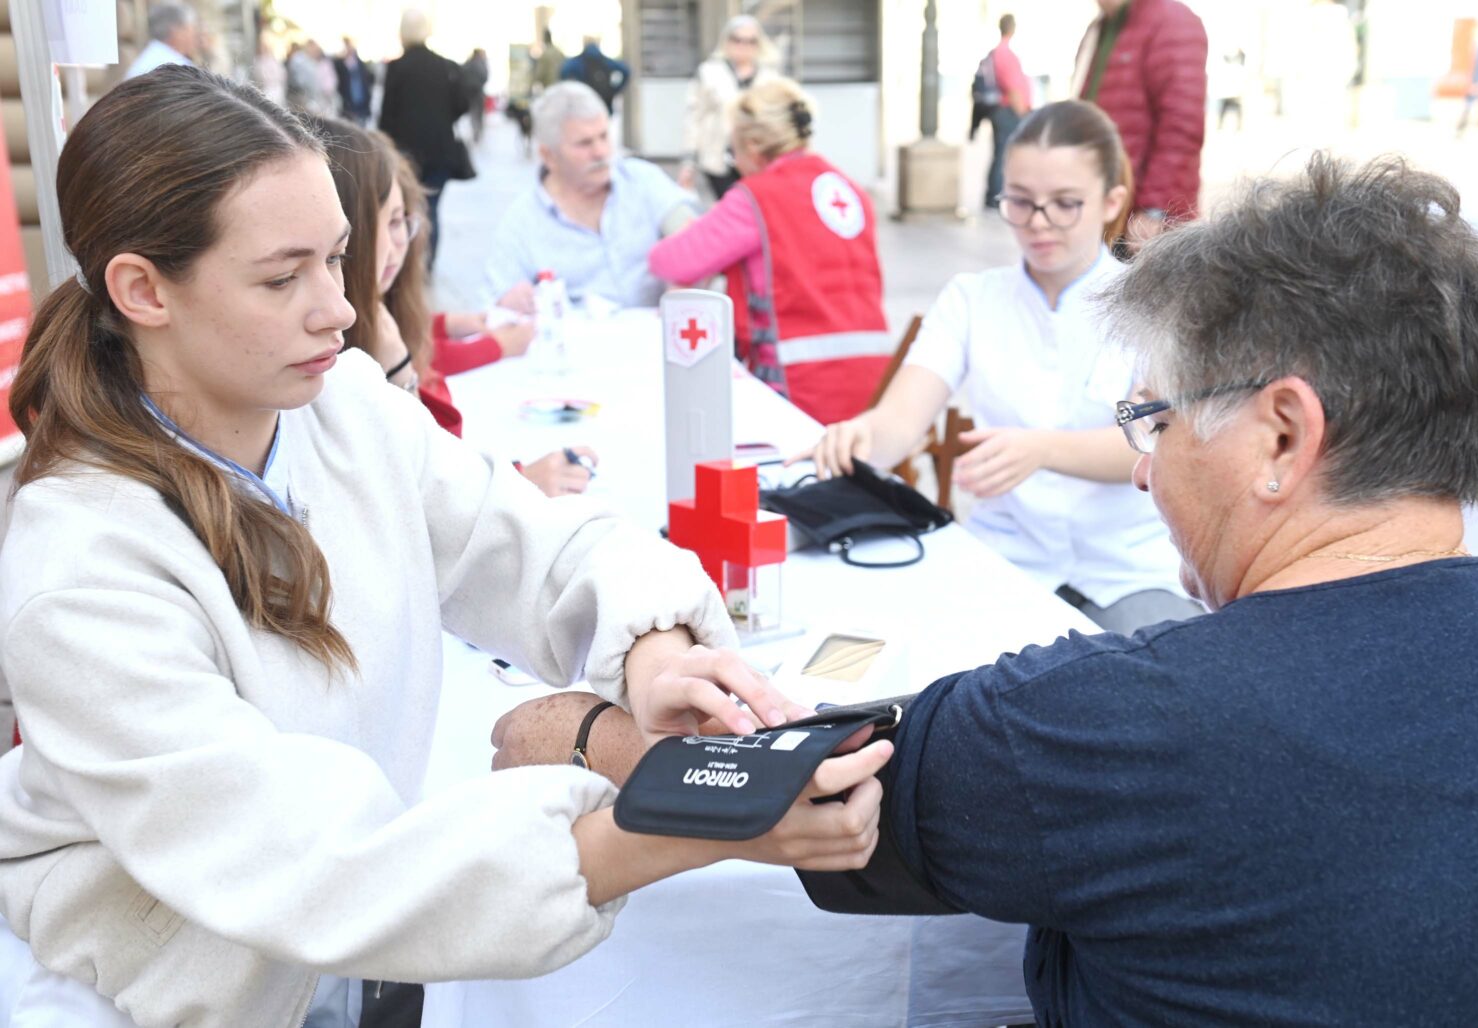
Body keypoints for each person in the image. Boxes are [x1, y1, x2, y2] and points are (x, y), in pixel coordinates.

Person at [0, 66, 890, 1026]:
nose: (338, 309)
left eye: (338, 258)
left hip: (351, 966)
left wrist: (657, 654)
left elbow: (532, 543)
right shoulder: (81, 569)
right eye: (280, 277)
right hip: (165, 997)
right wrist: (697, 823)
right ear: (142, 290)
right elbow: (313, 863)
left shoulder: (343, 408)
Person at [853, 154, 1478, 1024]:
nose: (1144, 471)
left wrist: (617, 716)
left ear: (1283, 439)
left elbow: (804, 787)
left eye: (1160, 421)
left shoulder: (1102, 725)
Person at [801, 101, 1192, 629]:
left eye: (1065, 204)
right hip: (1007, 559)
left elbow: (1164, 444)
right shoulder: (972, 299)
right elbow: (897, 422)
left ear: (1111, 202)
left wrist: (1042, 449)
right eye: (1021, 202)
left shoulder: (1148, 301)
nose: (1039, 223)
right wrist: (856, 438)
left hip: (1129, 569)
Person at [320, 119, 584, 500]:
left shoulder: (381, 314)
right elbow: (425, 490)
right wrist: (518, 483)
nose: (403, 242)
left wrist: (447, 326)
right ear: (354, 234)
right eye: (393, 221)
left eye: (405, 222)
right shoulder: (348, 352)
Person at [649, 79, 889, 427]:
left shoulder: (757, 198)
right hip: (876, 389)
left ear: (752, 145)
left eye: (732, 152)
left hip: (801, 393)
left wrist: (688, 229)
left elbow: (669, 261)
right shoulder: (849, 189)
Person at [485, 82, 697, 313]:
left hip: (659, 336)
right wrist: (513, 301)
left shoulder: (641, 179)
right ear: (548, 156)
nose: (601, 152)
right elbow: (497, 302)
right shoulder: (521, 223)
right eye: (584, 143)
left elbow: (695, 235)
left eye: (604, 136)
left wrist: (683, 280)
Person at [1072, 0, 1207, 247]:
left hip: (1141, 223)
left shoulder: (1171, 20)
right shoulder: (1102, 26)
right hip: (1102, 208)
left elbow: (1181, 126)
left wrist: (1155, 209)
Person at [378, 8, 471, 270]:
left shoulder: (397, 68)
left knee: (407, 210)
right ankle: (427, 265)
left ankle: (409, 267)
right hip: (440, 151)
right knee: (431, 209)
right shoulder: (445, 65)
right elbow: (462, 103)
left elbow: (387, 116)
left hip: (407, 154)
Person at [683, 15, 779, 200]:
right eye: (738, 40)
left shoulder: (770, 77)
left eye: (751, 41)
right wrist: (689, 160)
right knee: (731, 207)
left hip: (757, 159)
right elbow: (694, 117)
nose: (744, 46)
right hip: (718, 159)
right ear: (727, 41)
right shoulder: (710, 73)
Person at [984, 14, 1032, 211]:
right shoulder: (1004, 53)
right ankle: (995, 198)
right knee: (1004, 154)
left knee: (1002, 153)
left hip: (1005, 110)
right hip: (1009, 111)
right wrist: (1022, 113)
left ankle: (995, 197)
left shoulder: (1000, 52)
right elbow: (1012, 87)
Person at [123, 2, 197, 79]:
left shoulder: (152, 56)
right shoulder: (176, 66)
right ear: (176, 31)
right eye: (191, 30)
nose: (195, 37)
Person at [560, 35, 631, 114]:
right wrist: (614, 90)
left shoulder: (576, 62)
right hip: (604, 106)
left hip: (583, 106)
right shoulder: (606, 61)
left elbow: (563, 74)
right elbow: (626, 71)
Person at [334, 36, 374, 125]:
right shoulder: (339, 63)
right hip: (348, 105)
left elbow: (367, 79)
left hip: (361, 104)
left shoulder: (359, 62)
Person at [463, 48, 490, 143]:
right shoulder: (480, 63)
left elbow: (462, 75)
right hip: (478, 92)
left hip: (471, 93)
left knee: (474, 113)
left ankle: (476, 131)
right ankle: (478, 131)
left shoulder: (468, 63)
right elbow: (485, 76)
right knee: (478, 113)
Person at [532, 27, 566, 93]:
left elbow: (540, 72)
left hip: (549, 86)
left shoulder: (545, 54)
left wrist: (533, 81)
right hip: (560, 85)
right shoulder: (558, 52)